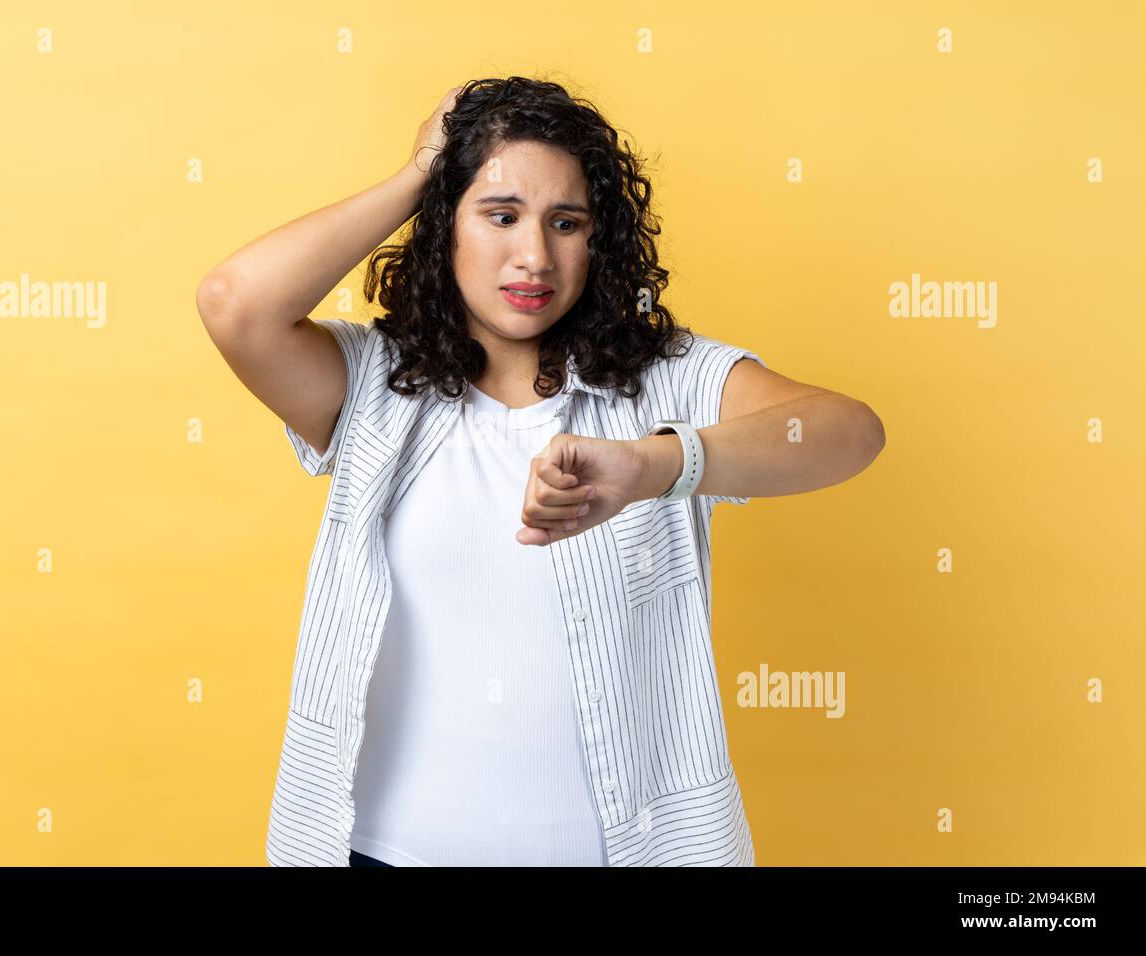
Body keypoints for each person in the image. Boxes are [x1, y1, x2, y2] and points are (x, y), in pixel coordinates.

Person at [197, 77, 885, 867]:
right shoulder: (374, 388)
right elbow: (234, 303)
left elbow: (849, 432)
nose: (535, 256)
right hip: (379, 856)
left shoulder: (664, 379)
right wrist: (422, 170)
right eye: (500, 214)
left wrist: (653, 464)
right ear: (443, 227)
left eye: (567, 223)